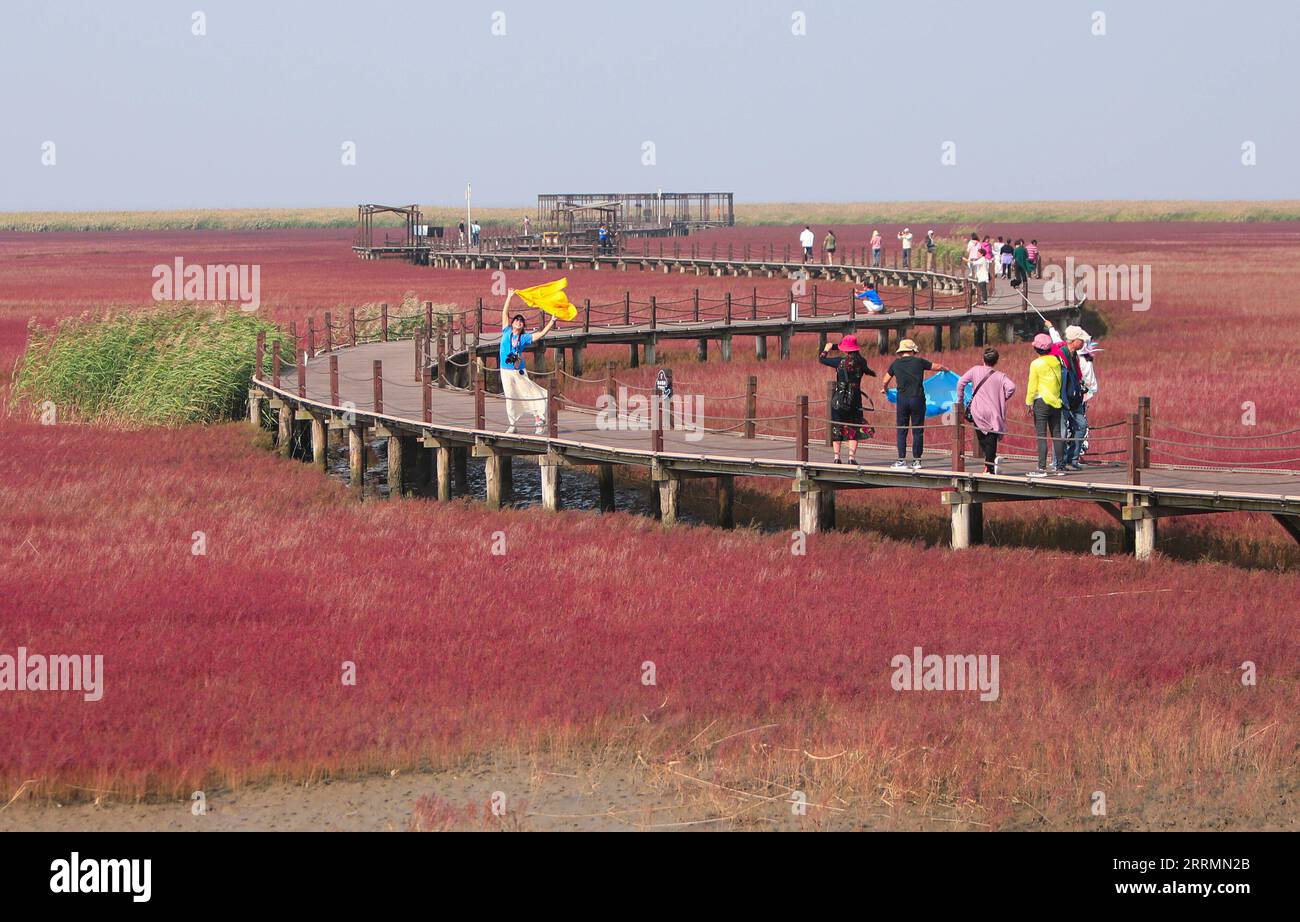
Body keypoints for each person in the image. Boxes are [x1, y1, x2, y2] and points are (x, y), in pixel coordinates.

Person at [498, 291, 558, 434]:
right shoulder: (506, 331)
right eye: (516, 320)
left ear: (523, 325)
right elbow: (504, 314)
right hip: (505, 370)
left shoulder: (524, 338)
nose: (519, 322)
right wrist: (509, 297)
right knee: (510, 396)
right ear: (512, 323)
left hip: (518, 370)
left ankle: (539, 419)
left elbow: (540, 334)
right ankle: (512, 424)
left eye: (521, 321)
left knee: (529, 393)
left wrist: (552, 321)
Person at [882, 339, 946, 471]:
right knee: (917, 430)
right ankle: (917, 460)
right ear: (912, 350)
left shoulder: (896, 364)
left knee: (901, 430)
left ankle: (901, 460)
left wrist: (886, 390)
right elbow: (937, 367)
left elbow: (885, 380)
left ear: (901, 351)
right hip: (917, 399)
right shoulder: (919, 362)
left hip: (902, 400)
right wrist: (945, 369)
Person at [819, 335, 877, 464]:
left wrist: (826, 349)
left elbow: (821, 359)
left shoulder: (839, 361)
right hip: (855, 397)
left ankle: (836, 458)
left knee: (837, 425)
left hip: (839, 397)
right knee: (854, 426)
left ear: (844, 348)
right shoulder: (862, 361)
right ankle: (851, 458)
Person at [957, 349, 1016, 474]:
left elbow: (961, 382)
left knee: (983, 439)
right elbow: (1011, 387)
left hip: (978, 410)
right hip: (994, 412)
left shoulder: (975, 370)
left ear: (983, 359)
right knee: (991, 438)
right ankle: (990, 465)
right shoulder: (1001, 376)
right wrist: (1003, 397)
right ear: (996, 361)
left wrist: (960, 400)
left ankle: (989, 464)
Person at [1046, 321, 1090, 470]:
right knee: (1062, 430)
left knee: (1081, 425)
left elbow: (1076, 375)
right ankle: (1059, 461)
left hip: (1075, 399)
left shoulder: (1074, 355)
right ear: (1074, 341)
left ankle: (1072, 458)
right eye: (1081, 339)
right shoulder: (1059, 354)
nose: (1083, 342)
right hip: (1063, 399)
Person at [1025, 332, 1065, 477]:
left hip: (1041, 401)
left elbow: (1032, 385)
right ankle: (1060, 467)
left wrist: (1029, 402)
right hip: (1056, 401)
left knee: (1041, 435)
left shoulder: (1036, 364)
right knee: (1057, 434)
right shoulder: (1057, 360)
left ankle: (1041, 468)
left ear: (1037, 349)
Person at [1076, 340, 1102, 462]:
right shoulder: (1085, 361)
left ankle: (1072, 454)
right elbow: (1091, 384)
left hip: (1075, 396)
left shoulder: (1075, 359)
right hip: (1081, 397)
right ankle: (1077, 453)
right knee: (1081, 424)